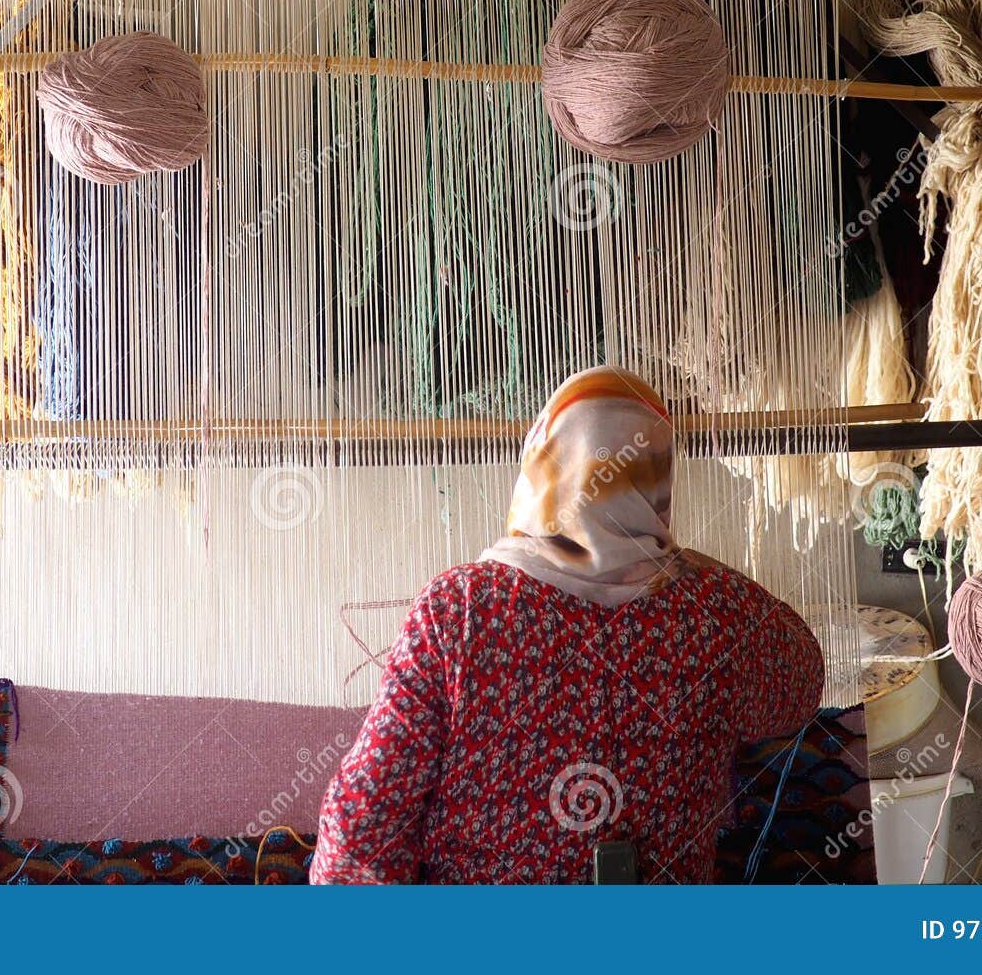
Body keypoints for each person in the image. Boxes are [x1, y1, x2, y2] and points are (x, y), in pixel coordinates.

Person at [310, 365, 824, 884]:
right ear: (659, 475)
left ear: (543, 461)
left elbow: (362, 830)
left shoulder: (459, 609)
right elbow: (799, 689)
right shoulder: (717, 614)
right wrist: (694, 570)